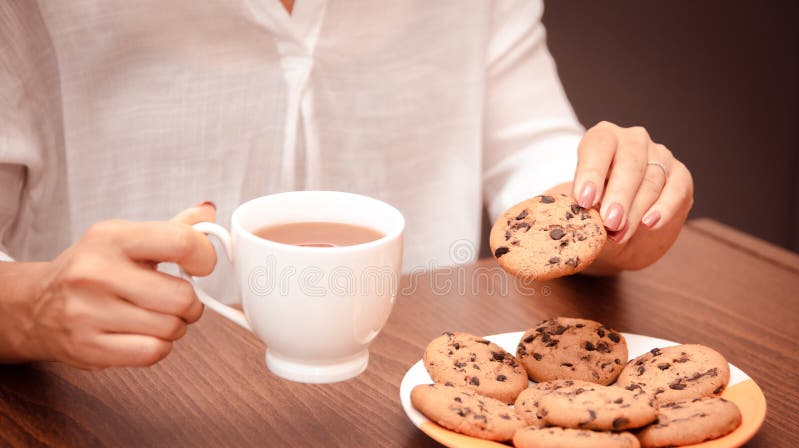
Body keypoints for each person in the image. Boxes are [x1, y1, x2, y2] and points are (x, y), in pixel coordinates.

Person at [0, 1, 693, 369]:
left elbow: (536, 160)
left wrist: (613, 206)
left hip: (403, 419)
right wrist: (29, 307)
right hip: (107, 428)